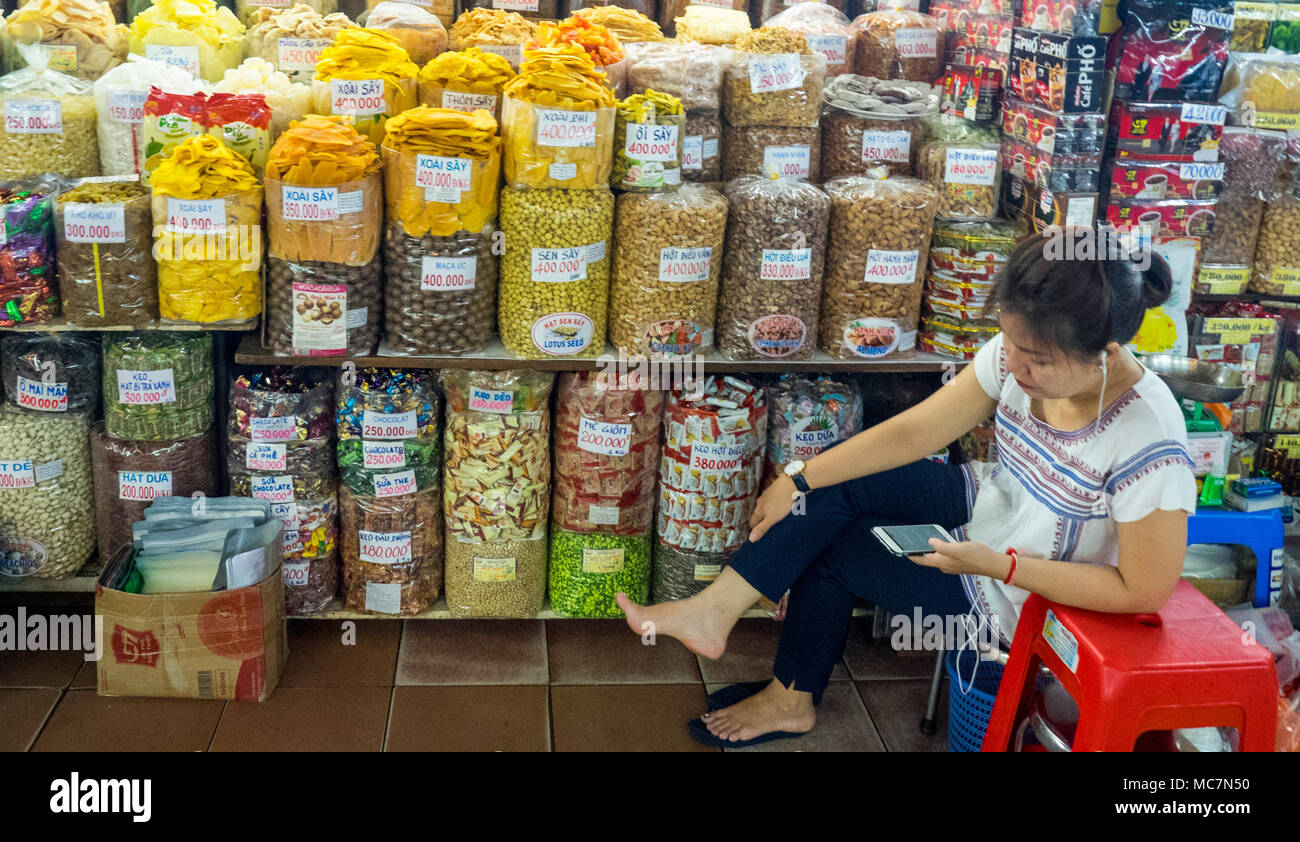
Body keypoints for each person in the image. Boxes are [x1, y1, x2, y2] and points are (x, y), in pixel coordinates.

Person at [616, 229, 1198, 748]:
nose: (1013, 364)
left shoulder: (1148, 441)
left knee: (835, 551)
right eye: (1009, 342)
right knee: (829, 490)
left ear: (1107, 353)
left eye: (1035, 359)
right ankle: (713, 611)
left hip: (1027, 590)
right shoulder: (1024, 349)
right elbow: (921, 430)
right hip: (989, 504)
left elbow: (1141, 590)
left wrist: (1000, 566)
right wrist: (799, 477)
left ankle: (792, 700)